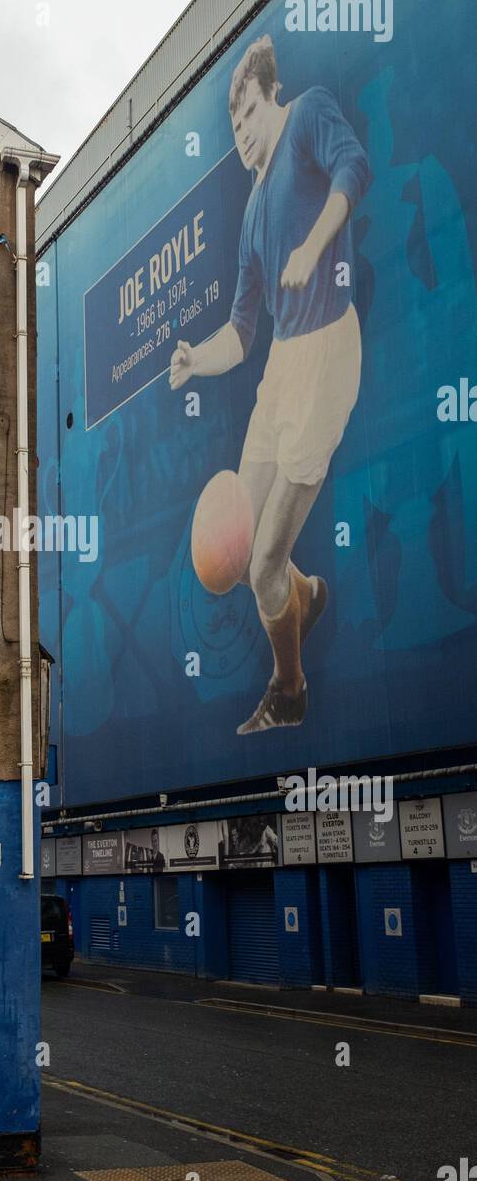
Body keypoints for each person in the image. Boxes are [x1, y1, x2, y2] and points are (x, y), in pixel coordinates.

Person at [170, 36, 370, 734]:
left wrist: (314, 247)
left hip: (326, 356)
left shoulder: (310, 113)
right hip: (280, 366)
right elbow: (241, 332)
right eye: (232, 126)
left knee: (261, 568)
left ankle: (289, 690)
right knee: (239, 544)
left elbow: (354, 167)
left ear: (272, 95)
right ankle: (306, 594)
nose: (241, 132)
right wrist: (198, 359)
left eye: (247, 112)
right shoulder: (252, 213)